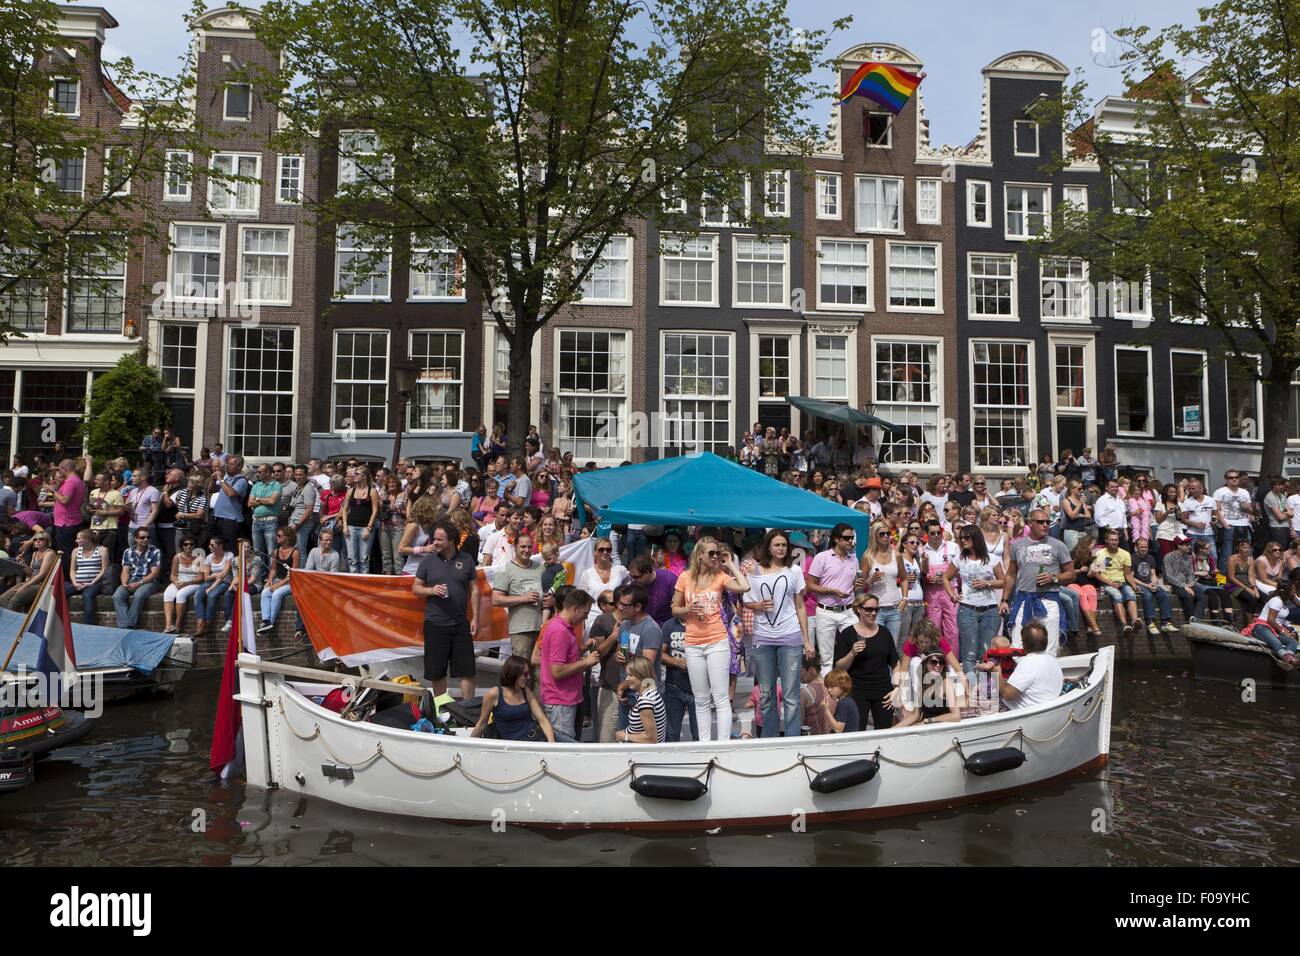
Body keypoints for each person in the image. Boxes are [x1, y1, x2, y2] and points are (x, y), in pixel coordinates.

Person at [671, 535, 750, 742]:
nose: (715, 557)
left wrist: (731, 565)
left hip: (717, 640)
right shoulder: (685, 577)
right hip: (693, 642)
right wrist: (688, 609)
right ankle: (705, 743)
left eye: (717, 552)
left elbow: (744, 587)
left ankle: (722, 743)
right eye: (711, 553)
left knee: (721, 697)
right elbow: (674, 609)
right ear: (699, 555)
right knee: (701, 698)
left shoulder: (720, 576)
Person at [743, 530, 812, 738]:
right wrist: (759, 605)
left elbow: (800, 606)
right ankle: (769, 738)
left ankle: (792, 740)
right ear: (768, 547)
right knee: (766, 694)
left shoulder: (795, 571)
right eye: (776, 545)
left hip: (790, 636)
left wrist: (807, 639)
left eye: (783, 545)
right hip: (763, 638)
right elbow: (746, 600)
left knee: (791, 695)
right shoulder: (754, 570)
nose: (781, 548)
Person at [411, 520, 478, 702]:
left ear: (452, 541)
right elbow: (415, 588)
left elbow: (475, 590)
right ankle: (442, 710)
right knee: (436, 672)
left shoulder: (466, 560)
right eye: (434, 538)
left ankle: (467, 708)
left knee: (467, 670)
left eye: (440, 539)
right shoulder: (427, 560)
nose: (435, 542)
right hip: (435, 625)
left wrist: (475, 618)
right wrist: (431, 590)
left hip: (460, 623)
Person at [1000, 508, 1074, 656]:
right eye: (1040, 522)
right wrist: (1004, 599)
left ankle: (1047, 676)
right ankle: (1023, 676)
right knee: (1018, 644)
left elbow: (1071, 574)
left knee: (1050, 647)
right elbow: (1011, 574)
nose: (1045, 525)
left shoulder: (1058, 545)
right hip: (1023, 599)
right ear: (1030, 523)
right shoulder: (1017, 545)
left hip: (1049, 600)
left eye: (1048, 522)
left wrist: (1054, 578)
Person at [537, 588, 600, 739]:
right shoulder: (560, 631)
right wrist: (586, 662)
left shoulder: (561, 627)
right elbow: (557, 671)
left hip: (565, 699)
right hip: (560, 701)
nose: (585, 617)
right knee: (563, 748)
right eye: (585, 613)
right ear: (575, 609)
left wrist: (583, 651)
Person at [833, 593, 899, 731]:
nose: (873, 613)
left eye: (876, 609)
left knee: (884, 733)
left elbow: (895, 663)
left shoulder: (884, 633)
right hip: (858, 691)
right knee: (857, 733)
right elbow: (839, 667)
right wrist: (852, 653)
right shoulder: (848, 633)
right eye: (869, 609)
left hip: (883, 691)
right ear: (858, 609)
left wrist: (897, 688)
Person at [945, 524, 1003, 677]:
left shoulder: (993, 558)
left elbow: (1004, 581)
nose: (962, 540)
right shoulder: (960, 559)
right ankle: (970, 690)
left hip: (990, 609)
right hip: (967, 609)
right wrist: (952, 594)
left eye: (966, 537)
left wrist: (987, 583)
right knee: (969, 654)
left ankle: (985, 691)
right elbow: (946, 577)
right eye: (961, 537)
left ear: (975, 537)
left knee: (986, 653)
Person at [470, 654, 564, 742]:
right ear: (514, 674)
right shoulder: (494, 694)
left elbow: (542, 720)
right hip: (518, 745)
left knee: (575, 745)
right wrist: (468, 744)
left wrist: (551, 744)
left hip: (538, 737)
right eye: (525, 674)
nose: (529, 677)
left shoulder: (525, 691)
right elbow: (482, 724)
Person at [805, 521, 858, 676]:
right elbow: (810, 586)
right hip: (826, 611)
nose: (850, 541)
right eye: (847, 538)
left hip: (848, 611)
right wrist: (832, 591)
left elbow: (854, 586)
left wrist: (865, 583)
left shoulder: (853, 559)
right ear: (836, 538)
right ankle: (827, 695)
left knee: (856, 650)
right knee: (826, 658)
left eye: (852, 538)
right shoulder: (822, 557)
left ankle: (850, 686)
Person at [977, 619, 1063, 711]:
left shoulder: (1029, 663)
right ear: (1045, 640)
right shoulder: (1053, 660)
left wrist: (997, 674)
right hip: (1046, 708)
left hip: (1019, 711)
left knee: (971, 702)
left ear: (1024, 642)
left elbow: (1007, 694)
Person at [491, 531, 547, 661]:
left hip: (542, 628)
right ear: (515, 547)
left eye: (529, 546)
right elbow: (496, 599)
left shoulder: (540, 568)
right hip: (521, 629)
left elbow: (548, 593)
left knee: (540, 674)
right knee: (522, 673)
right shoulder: (506, 570)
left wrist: (549, 600)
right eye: (523, 547)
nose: (526, 550)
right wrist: (524, 598)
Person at [1090, 528, 1141, 635]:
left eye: (1116, 540)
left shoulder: (1125, 554)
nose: (1114, 542)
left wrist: (1134, 584)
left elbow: (1127, 574)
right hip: (1106, 582)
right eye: (1112, 540)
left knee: (1131, 594)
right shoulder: (1101, 554)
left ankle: (1135, 620)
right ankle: (1124, 625)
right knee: (1118, 596)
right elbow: (1096, 573)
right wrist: (1110, 583)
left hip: (1121, 582)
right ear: (1106, 541)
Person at [894, 651, 963, 727]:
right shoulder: (921, 685)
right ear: (926, 664)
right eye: (934, 662)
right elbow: (915, 715)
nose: (938, 665)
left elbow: (956, 716)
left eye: (941, 662)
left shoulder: (946, 683)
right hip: (926, 728)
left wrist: (930, 720)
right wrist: (894, 729)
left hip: (942, 727)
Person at [112, 528, 162, 628]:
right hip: (132, 579)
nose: (145, 540)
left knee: (139, 595)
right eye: (142, 537)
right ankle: (124, 626)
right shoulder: (128, 551)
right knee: (117, 596)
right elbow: (125, 570)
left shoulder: (155, 551)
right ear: (135, 539)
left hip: (149, 581)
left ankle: (130, 625)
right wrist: (124, 582)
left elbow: (155, 573)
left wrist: (139, 583)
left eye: (148, 537)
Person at [1129, 536, 1178, 635]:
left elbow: (1153, 574)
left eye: (1145, 547)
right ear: (1136, 547)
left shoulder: (1150, 558)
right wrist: (1146, 585)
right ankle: (1150, 622)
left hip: (1149, 583)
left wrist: (1154, 583)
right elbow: (1132, 577)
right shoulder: (1132, 558)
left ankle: (1166, 623)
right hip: (1140, 583)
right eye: (1141, 547)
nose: (1144, 549)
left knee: (1163, 594)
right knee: (1147, 595)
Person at [576, 536, 628, 629]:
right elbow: (581, 600)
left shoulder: (621, 570)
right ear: (595, 552)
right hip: (593, 621)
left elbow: (628, 590)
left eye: (608, 549)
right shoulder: (587, 574)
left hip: (616, 620)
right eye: (601, 549)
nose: (605, 552)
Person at [614, 655, 668, 743]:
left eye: (630, 675)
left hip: (641, 754)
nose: (627, 679)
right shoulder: (650, 692)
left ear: (642, 675)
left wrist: (624, 736)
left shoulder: (645, 702)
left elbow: (651, 738)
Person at [1248, 578, 1300, 665]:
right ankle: (1287, 659)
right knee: (1276, 642)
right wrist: (1283, 631)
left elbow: (1297, 605)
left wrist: (1291, 630)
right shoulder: (1277, 601)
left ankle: (1289, 658)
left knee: (1292, 641)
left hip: (1274, 630)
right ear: (1287, 591)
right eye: (1293, 591)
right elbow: (1270, 620)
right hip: (1262, 627)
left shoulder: (1284, 603)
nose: (1295, 592)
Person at [1212, 469, 1254, 575]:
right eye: (1231, 477)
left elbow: (1250, 510)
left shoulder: (1244, 492)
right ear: (1226, 479)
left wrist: (1248, 511)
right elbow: (1216, 510)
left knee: (1245, 552)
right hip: (1229, 524)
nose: (1234, 479)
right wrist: (1225, 525)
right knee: (1227, 552)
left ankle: (1240, 576)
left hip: (1244, 524)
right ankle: (1222, 579)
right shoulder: (1220, 491)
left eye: (1236, 477)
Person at [66, 528, 110, 626]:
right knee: (61, 592)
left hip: (94, 583)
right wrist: (75, 583)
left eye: (78, 539)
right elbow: (72, 570)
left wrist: (92, 582)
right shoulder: (76, 551)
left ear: (86, 540)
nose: (76, 540)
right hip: (77, 582)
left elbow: (104, 569)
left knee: (87, 596)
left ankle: (89, 625)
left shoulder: (102, 550)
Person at [247, 463, 282, 588]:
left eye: (260, 472)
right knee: (257, 552)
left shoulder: (277, 485)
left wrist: (257, 499)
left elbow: (273, 501)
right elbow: (249, 503)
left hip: (270, 521)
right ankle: (259, 580)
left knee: (271, 551)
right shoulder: (256, 484)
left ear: (268, 472)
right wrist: (263, 500)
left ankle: (271, 578)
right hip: (256, 521)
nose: (258, 474)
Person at [259, 526, 299, 633]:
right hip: (279, 580)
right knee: (265, 592)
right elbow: (273, 569)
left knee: (277, 594)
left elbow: (292, 573)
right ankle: (266, 621)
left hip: (290, 582)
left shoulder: (295, 552)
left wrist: (279, 585)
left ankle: (270, 622)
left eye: (279, 536)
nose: (276, 537)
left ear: (287, 537)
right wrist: (270, 580)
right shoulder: (276, 551)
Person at [161, 536, 205, 634]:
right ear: (182, 546)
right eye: (186, 544)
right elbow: (172, 575)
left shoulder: (200, 558)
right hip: (179, 581)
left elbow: (201, 578)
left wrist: (186, 583)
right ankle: (168, 625)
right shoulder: (177, 557)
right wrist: (176, 582)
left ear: (195, 546)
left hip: (193, 582)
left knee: (180, 595)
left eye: (191, 544)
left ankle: (178, 625)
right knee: (167, 594)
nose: (188, 546)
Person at [192, 535, 233, 636]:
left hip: (225, 582)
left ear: (220, 546)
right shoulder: (209, 557)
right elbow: (206, 577)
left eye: (212, 545)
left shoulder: (229, 555)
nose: (209, 547)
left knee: (211, 595)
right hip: (210, 582)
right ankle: (200, 624)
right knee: (198, 594)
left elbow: (225, 574)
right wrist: (215, 575)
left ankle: (208, 624)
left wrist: (212, 586)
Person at [1066, 536, 1103, 637]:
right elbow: (1066, 572)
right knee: (1081, 595)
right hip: (1073, 580)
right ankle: (1093, 625)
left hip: (1086, 580)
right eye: (1092, 544)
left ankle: (1090, 626)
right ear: (1086, 544)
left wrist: (1096, 562)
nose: (1093, 547)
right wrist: (1079, 570)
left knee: (1092, 594)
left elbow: (1091, 575)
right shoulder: (1072, 554)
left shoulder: (1094, 556)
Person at [799, 653, 835, 736]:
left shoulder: (804, 692)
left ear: (811, 671)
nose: (799, 675)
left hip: (811, 739)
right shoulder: (832, 686)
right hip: (830, 737)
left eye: (801, 671)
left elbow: (800, 723)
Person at [818, 669, 860, 734]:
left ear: (843, 686)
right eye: (828, 687)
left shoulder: (844, 703)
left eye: (832, 687)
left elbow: (838, 729)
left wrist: (826, 710)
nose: (829, 690)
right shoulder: (849, 700)